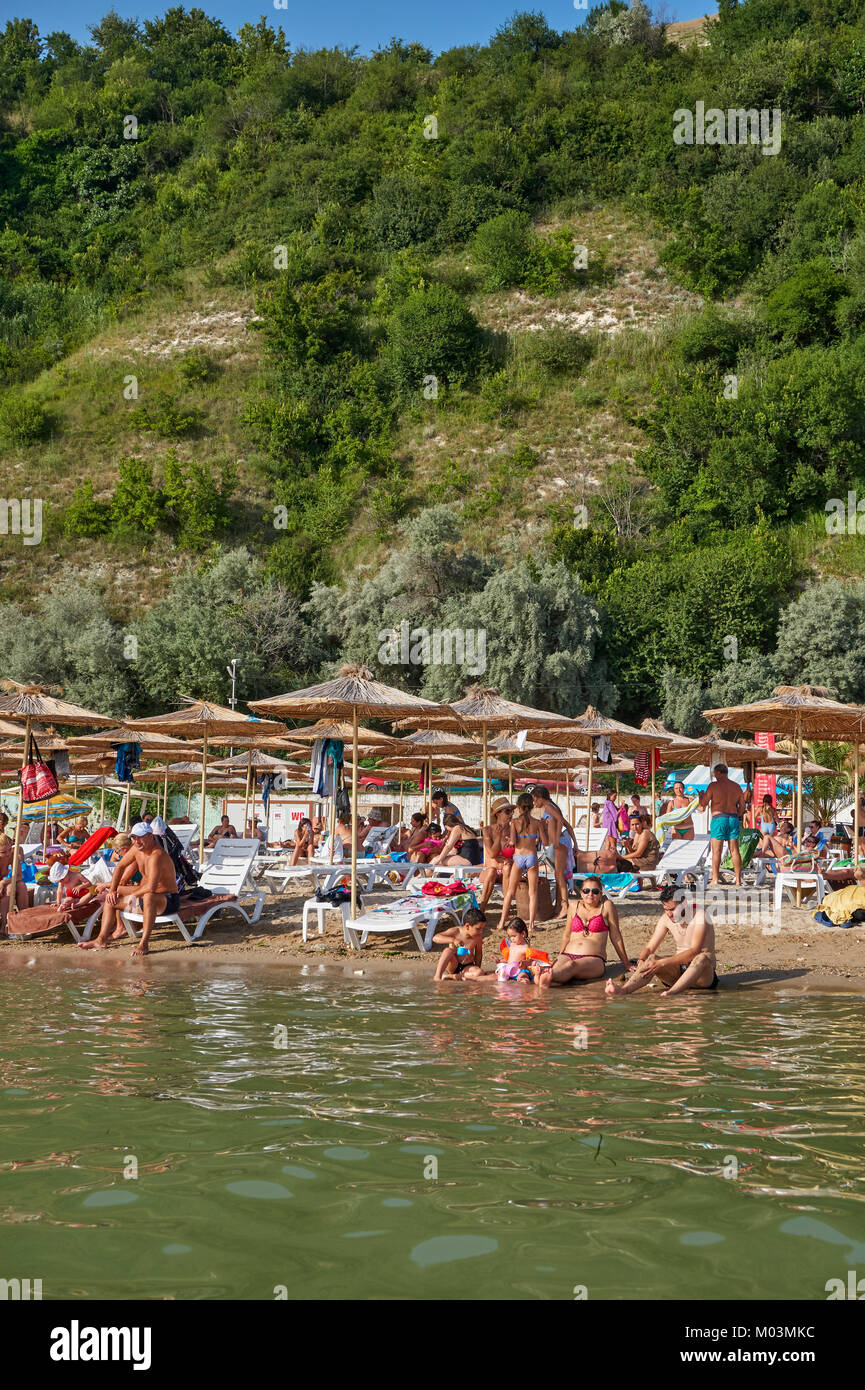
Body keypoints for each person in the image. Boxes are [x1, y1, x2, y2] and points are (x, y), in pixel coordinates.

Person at [80, 822, 180, 957]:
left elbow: (151, 886)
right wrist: (113, 890)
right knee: (111, 899)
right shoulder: (136, 849)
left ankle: (144, 944)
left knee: (148, 896)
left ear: (150, 836)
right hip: (145, 895)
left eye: (140, 837)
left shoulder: (157, 855)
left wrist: (134, 896)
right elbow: (120, 867)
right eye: (133, 838)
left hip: (166, 899)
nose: (136, 841)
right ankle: (101, 939)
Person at [606, 885, 718, 997]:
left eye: (673, 909)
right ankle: (623, 990)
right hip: (677, 972)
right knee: (651, 958)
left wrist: (662, 962)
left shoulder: (700, 915)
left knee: (701, 957)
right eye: (666, 909)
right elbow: (650, 947)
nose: (669, 914)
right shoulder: (665, 918)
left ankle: (671, 993)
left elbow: (694, 950)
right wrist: (641, 960)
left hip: (702, 976)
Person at [541, 876, 630, 988]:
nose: (590, 894)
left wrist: (626, 964)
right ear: (581, 893)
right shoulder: (573, 906)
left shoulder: (607, 907)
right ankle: (546, 981)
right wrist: (559, 957)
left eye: (595, 891)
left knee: (570, 966)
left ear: (601, 893)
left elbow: (616, 936)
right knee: (553, 972)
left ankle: (545, 978)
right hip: (568, 955)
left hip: (594, 959)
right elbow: (567, 935)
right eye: (586, 891)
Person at [497, 792, 550, 934]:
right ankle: (532, 925)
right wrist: (544, 828)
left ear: (519, 807)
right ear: (532, 807)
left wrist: (508, 841)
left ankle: (501, 922)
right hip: (531, 857)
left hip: (519, 857)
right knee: (533, 893)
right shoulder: (537, 822)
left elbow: (513, 842)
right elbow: (545, 842)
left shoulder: (514, 822)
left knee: (510, 892)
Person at [530, 785, 576, 919]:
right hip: (561, 843)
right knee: (559, 875)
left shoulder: (549, 807)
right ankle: (560, 906)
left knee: (559, 874)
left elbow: (561, 821)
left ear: (539, 797)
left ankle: (565, 906)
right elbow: (567, 824)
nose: (534, 803)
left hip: (559, 843)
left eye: (534, 799)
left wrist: (555, 840)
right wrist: (575, 844)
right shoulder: (552, 807)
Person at [699, 763, 743, 886]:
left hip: (719, 818)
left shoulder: (713, 786)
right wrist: (736, 814)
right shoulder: (736, 786)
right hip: (733, 818)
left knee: (716, 851)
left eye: (715, 774)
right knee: (734, 850)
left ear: (718, 773)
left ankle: (715, 879)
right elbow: (742, 807)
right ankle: (738, 880)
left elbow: (703, 803)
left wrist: (700, 796)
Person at [432, 907, 486, 981]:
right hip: (453, 965)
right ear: (467, 926)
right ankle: (437, 976)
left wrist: (477, 970)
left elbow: (478, 954)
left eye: (482, 929)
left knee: (479, 972)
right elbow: (435, 938)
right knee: (448, 950)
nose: (481, 931)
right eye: (478, 928)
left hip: (468, 966)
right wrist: (453, 940)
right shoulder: (456, 931)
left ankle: (451, 976)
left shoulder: (477, 937)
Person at [478, 799, 514, 910]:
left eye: (512, 811)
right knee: (491, 871)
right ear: (498, 813)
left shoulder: (514, 830)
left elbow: (518, 853)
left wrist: (510, 860)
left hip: (506, 872)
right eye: (507, 811)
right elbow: (492, 854)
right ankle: (482, 908)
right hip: (490, 871)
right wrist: (498, 836)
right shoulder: (487, 830)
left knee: (507, 867)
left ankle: (506, 909)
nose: (511, 814)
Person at [619, 811, 661, 875]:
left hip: (649, 862)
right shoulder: (637, 834)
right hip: (640, 860)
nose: (635, 827)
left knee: (623, 862)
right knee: (620, 862)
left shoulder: (645, 833)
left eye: (637, 824)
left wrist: (621, 857)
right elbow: (633, 853)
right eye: (632, 825)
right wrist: (628, 846)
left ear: (642, 823)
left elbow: (638, 854)